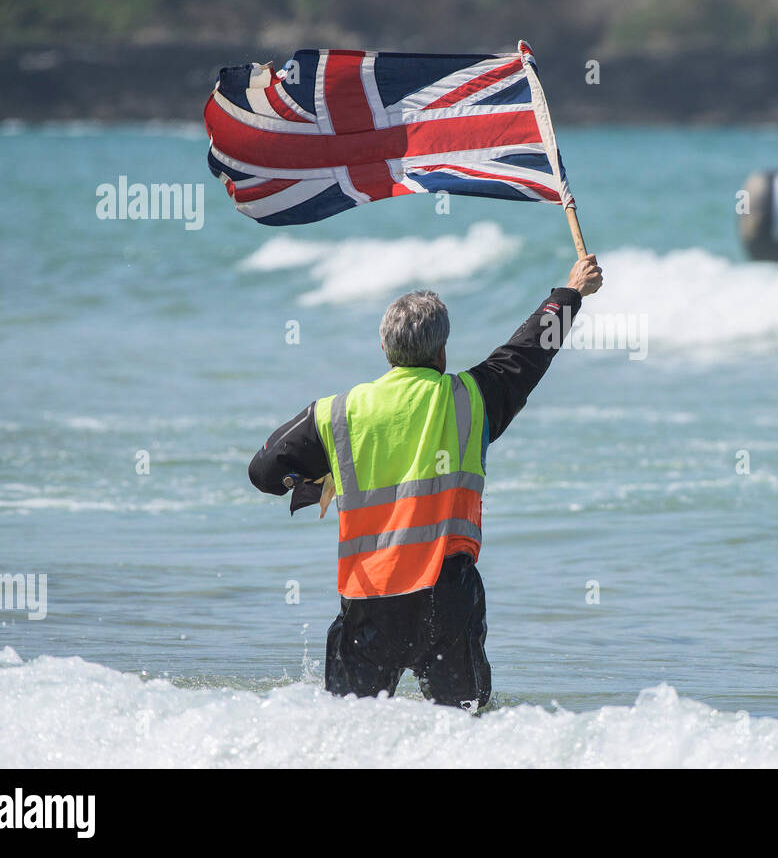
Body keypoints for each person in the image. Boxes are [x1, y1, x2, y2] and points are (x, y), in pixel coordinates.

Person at [248, 254, 603, 710]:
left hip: (368, 600)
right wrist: (570, 294)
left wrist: (322, 474)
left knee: (349, 731)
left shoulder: (338, 414)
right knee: (468, 727)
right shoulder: (472, 400)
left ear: (384, 350)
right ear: (441, 353)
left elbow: (264, 474)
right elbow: (532, 349)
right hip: (445, 599)